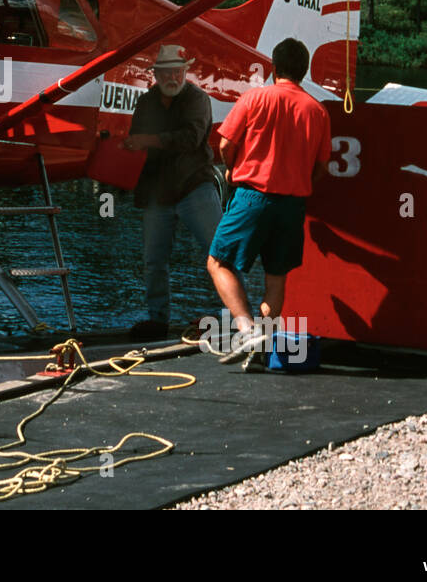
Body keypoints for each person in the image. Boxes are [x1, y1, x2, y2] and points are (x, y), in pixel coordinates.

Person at [206, 37, 331, 363]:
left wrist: (233, 168)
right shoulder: (317, 111)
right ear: (305, 71)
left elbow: (223, 145)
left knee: (218, 262)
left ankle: (247, 331)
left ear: (273, 68)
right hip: (292, 205)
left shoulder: (255, 98)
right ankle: (261, 349)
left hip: (253, 196)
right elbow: (321, 167)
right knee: (276, 277)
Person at [123, 43, 222, 341]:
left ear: (185, 73)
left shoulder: (198, 99)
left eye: (179, 72)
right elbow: (136, 141)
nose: (174, 77)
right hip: (158, 192)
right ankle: (157, 320)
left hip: (196, 186)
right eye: (168, 72)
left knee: (219, 253)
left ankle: (230, 316)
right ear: (156, 74)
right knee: (153, 260)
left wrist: (148, 140)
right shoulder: (146, 102)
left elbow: (191, 139)